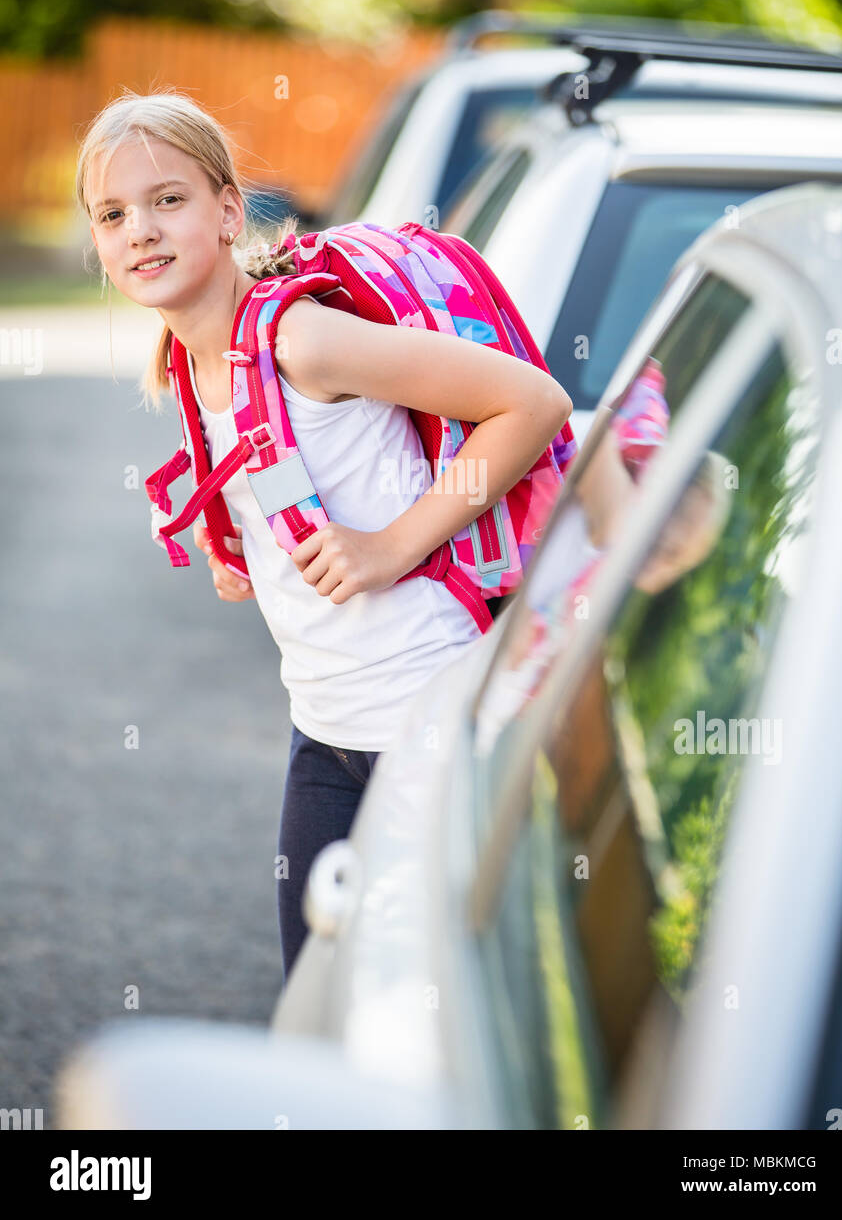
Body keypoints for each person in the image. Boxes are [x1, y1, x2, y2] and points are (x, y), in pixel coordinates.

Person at [74, 86, 573, 981]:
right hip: (328, 734)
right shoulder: (196, 362)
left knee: (436, 1020)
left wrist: (393, 545)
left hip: (427, 722)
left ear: (230, 211)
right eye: (113, 214)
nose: (141, 230)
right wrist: (242, 550)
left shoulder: (302, 339)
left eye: (168, 200)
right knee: (319, 1002)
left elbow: (530, 403)